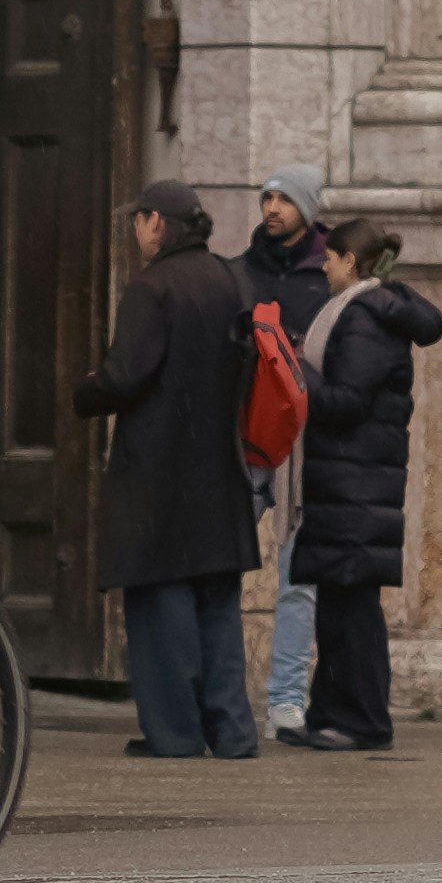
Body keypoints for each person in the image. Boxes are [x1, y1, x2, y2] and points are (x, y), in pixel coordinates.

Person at [78, 179, 258, 760]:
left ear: (158, 223)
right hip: (219, 466)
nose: (135, 230)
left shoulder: (151, 288)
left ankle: (176, 735)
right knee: (217, 602)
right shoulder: (231, 280)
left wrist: (86, 393)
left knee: (161, 604)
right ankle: (232, 732)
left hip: (158, 472)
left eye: (139, 219)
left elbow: (125, 374)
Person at [292, 217, 442, 756]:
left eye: (329, 258)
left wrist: (295, 372)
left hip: (356, 483)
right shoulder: (362, 312)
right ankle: (333, 714)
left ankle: (363, 721)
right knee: (340, 603)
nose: (324, 266)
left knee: (351, 608)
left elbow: (345, 402)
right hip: (349, 481)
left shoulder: (365, 318)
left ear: (350, 263)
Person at [238, 174, 332, 744]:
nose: (273, 208)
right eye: (267, 198)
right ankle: (221, 693)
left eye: (284, 199)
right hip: (250, 432)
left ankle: (286, 700)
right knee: (223, 563)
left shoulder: (328, 274)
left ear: (307, 208)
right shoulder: (243, 267)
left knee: (298, 575)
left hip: (302, 438)